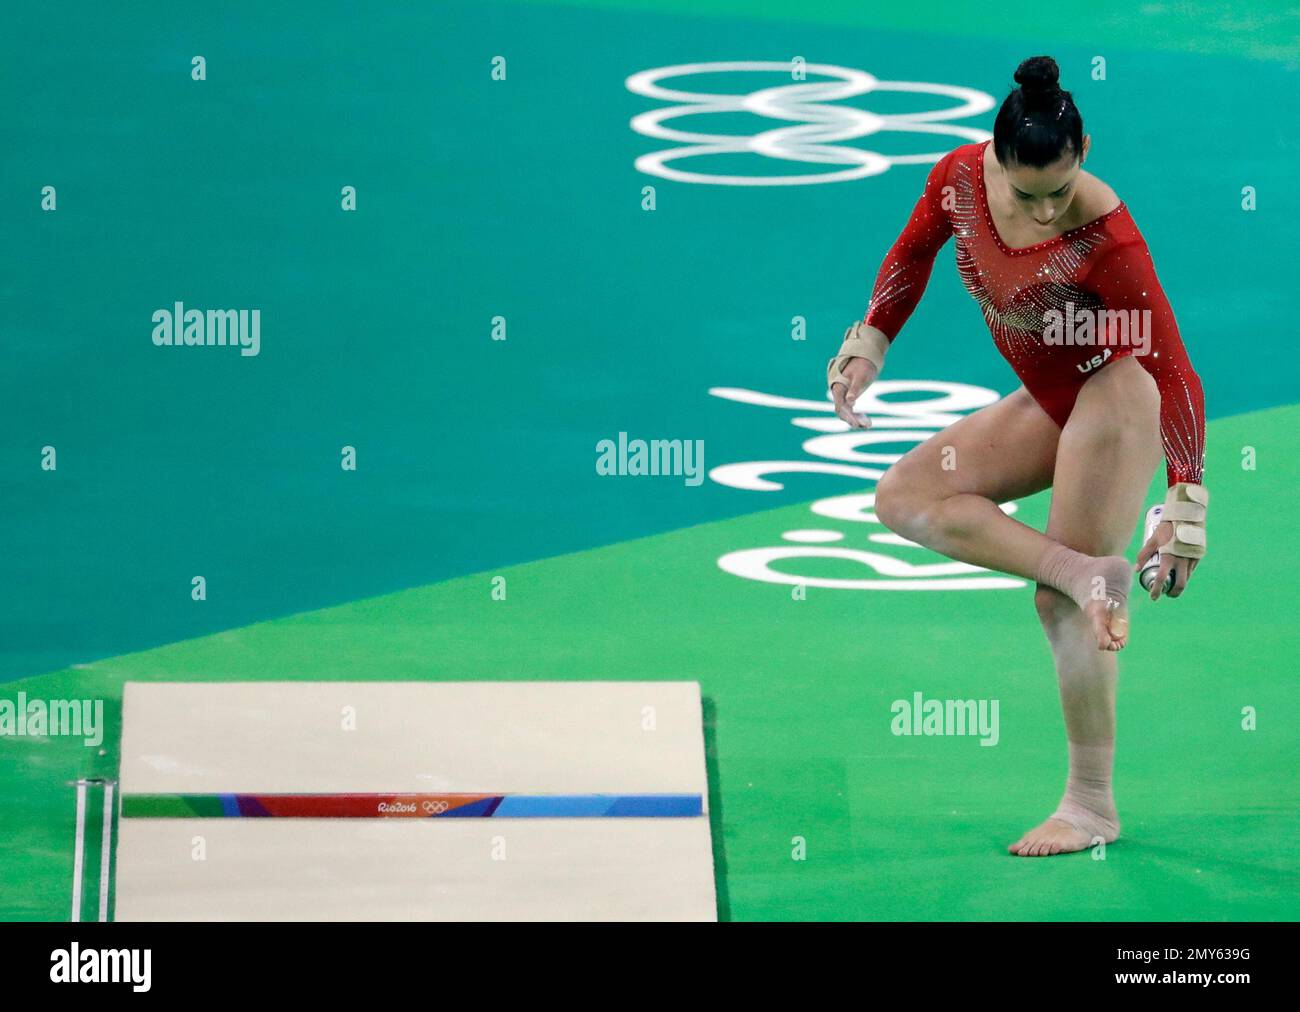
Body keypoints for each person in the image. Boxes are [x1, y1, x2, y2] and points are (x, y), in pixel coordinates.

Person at [827, 56, 1208, 857]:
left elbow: (1174, 368)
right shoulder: (959, 180)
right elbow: (911, 253)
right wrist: (872, 340)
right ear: (996, 157)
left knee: (1060, 609)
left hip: (1114, 394)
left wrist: (1187, 501)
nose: (1042, 212)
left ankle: (1092, 805)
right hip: (1050, 398)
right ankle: (1083, 569)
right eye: (1026, 192)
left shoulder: (1107, 239)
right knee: (905, 498)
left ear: (1085, 151)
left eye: (1059, 193)